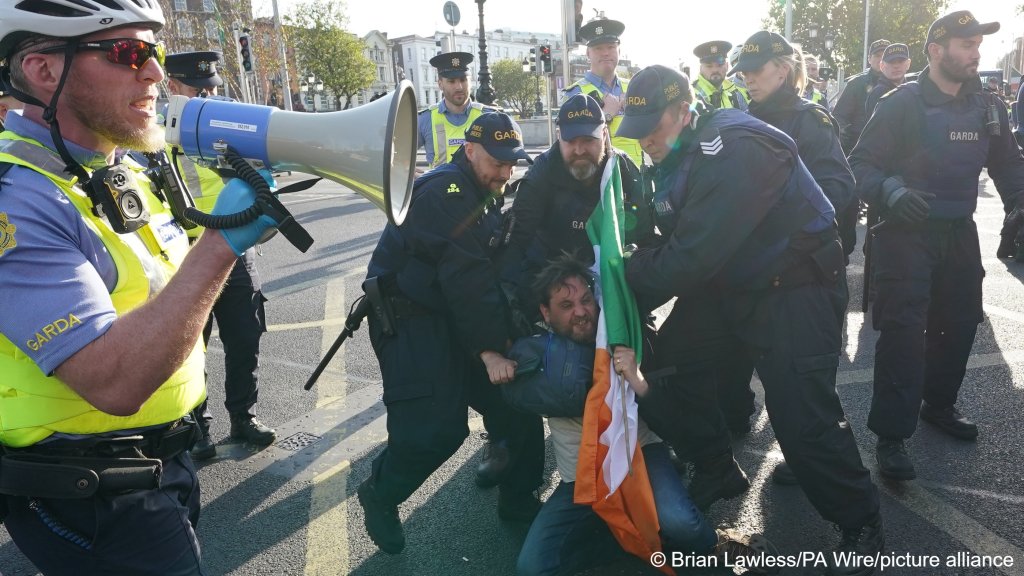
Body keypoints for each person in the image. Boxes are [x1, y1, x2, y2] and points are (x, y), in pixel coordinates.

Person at [0, 2, 280, 573]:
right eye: (128, 52)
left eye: (152, 51)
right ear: (43, 70)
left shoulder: (115, 169)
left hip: (158, 464)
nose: (154, 71)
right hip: (88, 492)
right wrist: (223, 244)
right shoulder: (15, 200)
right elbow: (114, 381)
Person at [616, 64, 883, 575]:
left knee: (802, 418)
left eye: (654, 123)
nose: (645, 138)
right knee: (670, 365)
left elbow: (688, 259)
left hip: (795, 287)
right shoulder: (678, 152)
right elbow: (671, 238)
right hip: (736, 283)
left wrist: (621, 270)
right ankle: (716, 465)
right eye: (639, 126)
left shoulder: (732, 146)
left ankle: (860, 518)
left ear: (681, 111)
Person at [507, 256, 778, 576]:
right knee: (532, 566)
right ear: (545, 313)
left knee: (683, 523)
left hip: (642, 456)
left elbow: (673, 423)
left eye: (585, 300)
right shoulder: (536, 352)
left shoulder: (626, 334)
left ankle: (721, 542)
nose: (580, 312)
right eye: (566, 305)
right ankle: (630, 537)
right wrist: (495, 358)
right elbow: (527, 395)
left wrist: (639, 381)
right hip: (583, 477)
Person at [356, 112, 545, 554]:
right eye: (497, 161)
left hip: (447, 313)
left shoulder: (480, 188)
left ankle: (518, 500)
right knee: (436, 431)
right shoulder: (446, 192)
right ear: (470, 149)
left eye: (511, 162)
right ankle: (379, 493)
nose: (505, 171)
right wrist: (491, 351)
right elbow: (469, 281)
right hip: (407, 321)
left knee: (515, 404)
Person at [848, 10, 1024, 481]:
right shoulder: (900, 103)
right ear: (936, 50)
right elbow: (860, 164)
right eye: (965, 45)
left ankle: (938, 405)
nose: (976, 53)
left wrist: (1019, 204)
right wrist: (890, 191)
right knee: (903, 333)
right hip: (906, 235)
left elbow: (1008, 164)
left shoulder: (988, 105)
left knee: (960, 321)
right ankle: (891, 435)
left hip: (959, 232)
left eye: (977, 45)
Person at [722, 31, 858, 483]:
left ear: (783, 69)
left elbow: (838, 193)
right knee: (764, 379)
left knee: (806, 391)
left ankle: (836, 487)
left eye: (755, 70)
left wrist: (776, 224)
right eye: (743, 70)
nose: (747, 77)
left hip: (802, 274)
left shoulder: (809, 122)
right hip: (759, 273)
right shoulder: (744, 119)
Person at [163, 51, 276, 460]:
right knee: (189, 345)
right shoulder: (160, 136)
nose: (208, 96)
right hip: (184, 254)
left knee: (245, 336)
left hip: (234, 251)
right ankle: (198, 428)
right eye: (198, 89)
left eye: (211, 87)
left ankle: (244, 417)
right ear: (173, 87)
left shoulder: (230, 130)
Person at [500, 93, 653, 318]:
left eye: (588, 141)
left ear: (604, 134)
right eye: (571, 142)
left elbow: (646, 239)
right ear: (559, 136)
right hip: (552, 279)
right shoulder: (541, 174)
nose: (579, 150)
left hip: (612, 278)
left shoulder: (623, 170)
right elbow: (515, 245)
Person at [561, 18, 644, 167]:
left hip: (637, 177)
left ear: (619, 50)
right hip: (599, 178)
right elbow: (571, 142)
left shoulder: (634, 87)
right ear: (588, 53)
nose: (606, 53)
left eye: (611, 47)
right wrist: (606, 116)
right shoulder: (575, 94)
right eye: (598, 48)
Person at [417, 51, 494, 169]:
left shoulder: (488, 116)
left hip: (476, 188)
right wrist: (414, 177)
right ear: (440, 84)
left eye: (463, 80)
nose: (459, 87)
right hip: (440, 187)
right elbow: (398, 153)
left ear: (470, 81)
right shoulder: (425, 119)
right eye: (451, 81)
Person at [833, 38, 891, 153]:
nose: (881, 60)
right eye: (877, 55)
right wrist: (848, 145)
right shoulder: (856, 84)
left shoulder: (900, 83)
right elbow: (839, 118)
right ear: (869, 58)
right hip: (859, 149)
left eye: (885, 56)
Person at [691, 40, 749, 111]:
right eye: (709, 66)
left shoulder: (734, 92)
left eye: (720, 65)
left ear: (727, 66)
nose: (715, 70)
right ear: (700, 69)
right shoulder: (692, 94)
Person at [864, 43, 911, 116]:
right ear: (882, 66)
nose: (896, 66)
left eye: (900, 61)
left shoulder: (912, 90)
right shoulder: (878, 93)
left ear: (908, 64)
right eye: (891, 62)